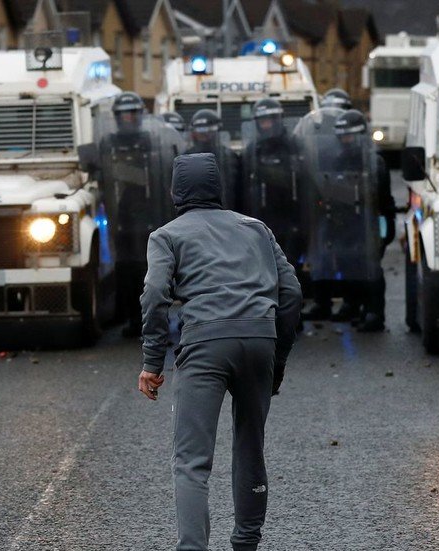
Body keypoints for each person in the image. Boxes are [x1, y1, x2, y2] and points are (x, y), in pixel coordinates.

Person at [137, 152, 301, 551]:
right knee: (250, 445)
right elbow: (291, 293)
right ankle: (246, 543)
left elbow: (155, 295)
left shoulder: (167, 235)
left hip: (206, 344)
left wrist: (152, 362)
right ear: (218, 188)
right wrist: (275, 362)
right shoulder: (256, 228)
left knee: (191, 461)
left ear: (176, 192)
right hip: (259, 341)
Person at [301, 110, 394, 331]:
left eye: (350, 136)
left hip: (367, 221)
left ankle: (374, 312)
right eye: (341, 136)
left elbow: (379, 197)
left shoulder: (374, 161)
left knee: (370, 266)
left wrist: (387, 227)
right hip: (343, 221)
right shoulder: (338, 159)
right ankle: (353, 305)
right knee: (348, 264)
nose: (345, 140)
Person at [99, 92, 175, 337]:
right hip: (122, 218)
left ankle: (154, 322)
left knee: (151, 273)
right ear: (117, 117)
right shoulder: (108, 143)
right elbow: (103, 180)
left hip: (151, 216)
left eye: (133, 114)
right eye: (124, 114)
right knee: (127, 274)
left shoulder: (152, 140)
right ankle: (133, 320)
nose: (129, 119)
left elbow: (162, 179)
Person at [240, 99, 303, 279]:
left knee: (290, 268)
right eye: (262, 120)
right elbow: (244, 186)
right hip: (261, 218)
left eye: (269, 119)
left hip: (290, 218)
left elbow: (304, 182)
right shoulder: (253, 149)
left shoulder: (293, 146)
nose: (265, 124)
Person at [186, 109, 239, 209]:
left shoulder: (230, 157)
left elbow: (239, 192)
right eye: (200, 133)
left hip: (226, 212)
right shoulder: (185, 158)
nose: (204, 137)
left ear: (217, 133)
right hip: (196, 214)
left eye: (208, 132)